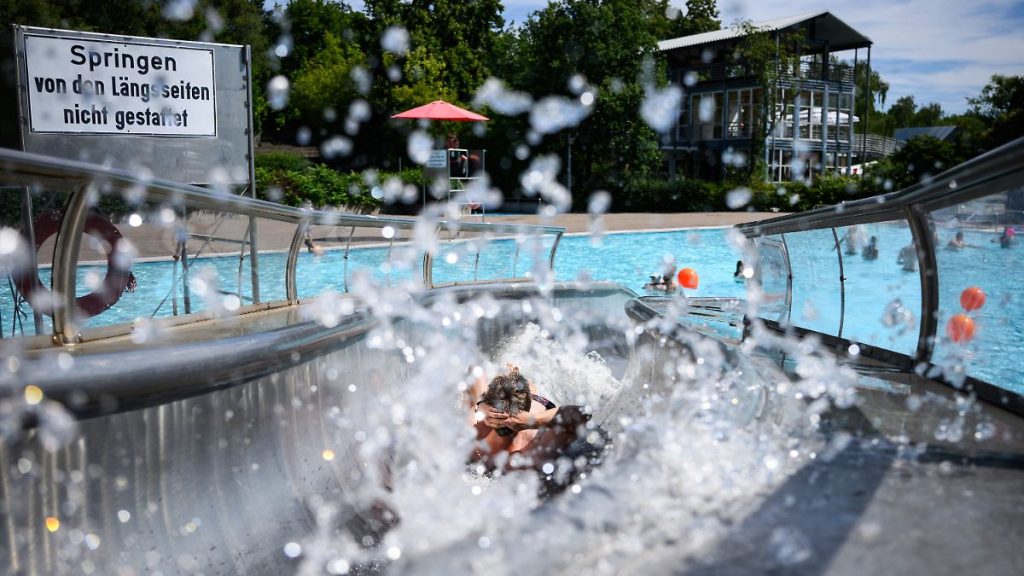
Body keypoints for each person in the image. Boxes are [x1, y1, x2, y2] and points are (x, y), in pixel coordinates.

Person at [468, 365, 603, 495]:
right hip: (517, 404)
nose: (506, 426)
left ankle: (521, 384)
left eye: (509, 425)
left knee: (525, 392)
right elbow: (474, 369)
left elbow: (583, 413)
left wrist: (532, 421)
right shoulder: (476, 430)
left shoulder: (535, 451)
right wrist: (480, 403)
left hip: (538, 409)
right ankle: (516, 380)